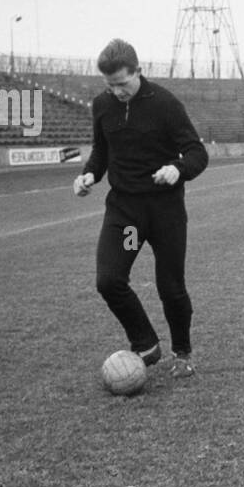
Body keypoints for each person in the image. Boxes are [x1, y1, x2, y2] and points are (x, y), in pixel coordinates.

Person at [74, 38, 209, 378]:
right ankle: (146, 343)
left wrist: (178, 169)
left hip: (164, 213)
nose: (117, 91)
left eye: (122, 83)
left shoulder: (164, 104)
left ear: (138, 71)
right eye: (110, 85)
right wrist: (88, 174)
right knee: (109, 280)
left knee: (170, 286)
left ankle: (182, 352)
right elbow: (101, 151)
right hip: (129, 217)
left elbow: (197, 153)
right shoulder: (102, 105)